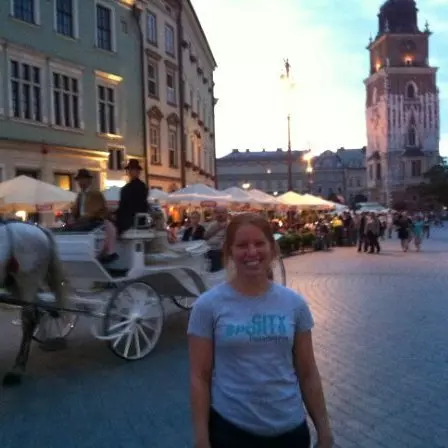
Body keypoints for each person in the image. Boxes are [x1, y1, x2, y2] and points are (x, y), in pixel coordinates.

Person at [188, 213, 333, 448]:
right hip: (231, 430)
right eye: (242, 245)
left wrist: (324, 429)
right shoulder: (208, 306)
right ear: (230, 251)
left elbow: (307, 372)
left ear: (272, 248)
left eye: (259, 243)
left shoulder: (294, 304)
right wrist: (202, 439)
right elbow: (199, 377)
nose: (251, 252)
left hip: (290, 429)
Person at [69, 169, 117, 262]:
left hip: (95, 221)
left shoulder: (95, 194)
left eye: (82, 179)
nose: (80, 182)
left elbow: (94, 211)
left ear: (89, 181)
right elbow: (75, 210)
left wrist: (82, 219)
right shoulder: (80, 195)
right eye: (79, 180)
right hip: (84, 222)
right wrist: (71, 218)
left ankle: (103, 253)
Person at [115, 159, 149, 235]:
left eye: (133, 170)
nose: (130, 172)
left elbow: (138, 204)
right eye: (130, 170)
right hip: (128, 216)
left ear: (138, 172)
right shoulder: (126, 188)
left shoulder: (140, 186)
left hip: (132, 218)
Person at [203, 206, 228, 272]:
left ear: (226, 213)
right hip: (207, 250)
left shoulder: (230, 225)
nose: (220, 214)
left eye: (222, 212)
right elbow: (205, 237)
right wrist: (217, 228)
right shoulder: (212, 224)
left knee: (216, 272)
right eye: (217, 212)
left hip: (220, 253)